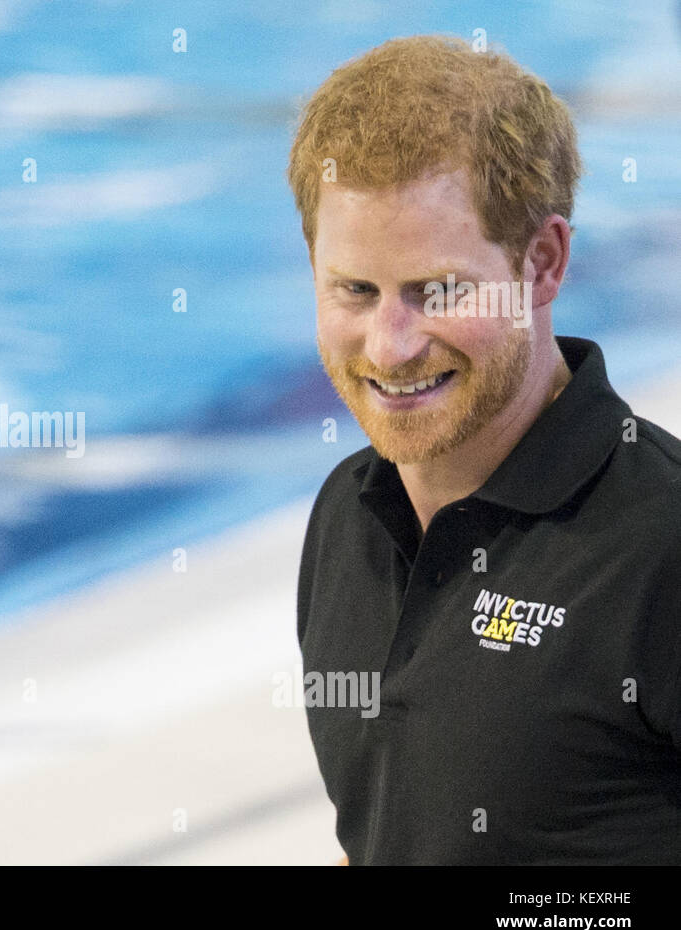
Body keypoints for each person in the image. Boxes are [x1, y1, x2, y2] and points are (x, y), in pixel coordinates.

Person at [288, 35, 681, 864]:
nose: (390, 348)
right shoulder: (346, 521)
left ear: (541, 263)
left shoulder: (660, 550)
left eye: (437, 291)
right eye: (355, 290)